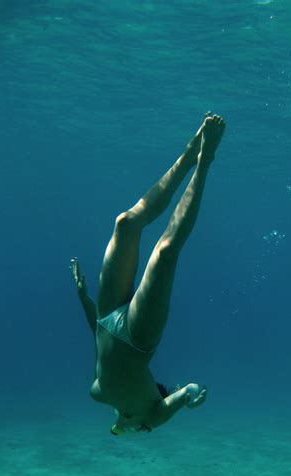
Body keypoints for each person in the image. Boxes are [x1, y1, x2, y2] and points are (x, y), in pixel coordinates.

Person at [70, 114, 225, 435]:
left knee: (124, 223)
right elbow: (186, 393)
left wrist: (82, 297)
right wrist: (192, 395)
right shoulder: (149, 416)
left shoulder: (101, 396)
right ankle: (203, 160)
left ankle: (188, 156)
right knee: (165, 253)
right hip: (139, 338)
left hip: (105, 316)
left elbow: (98, 343)